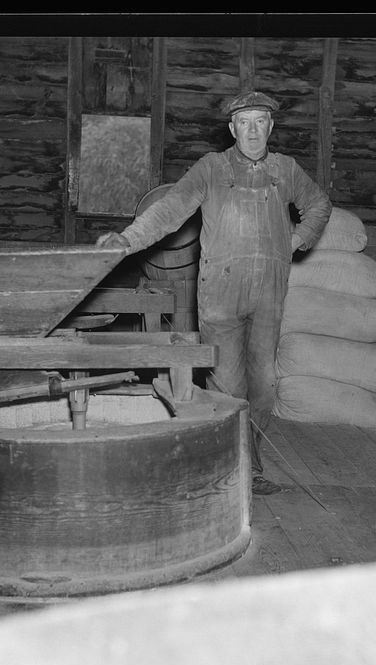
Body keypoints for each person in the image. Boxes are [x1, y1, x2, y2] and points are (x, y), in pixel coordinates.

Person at [97, 90, 332, 495]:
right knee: (227, 386)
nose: (253, 131)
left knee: (263, 389)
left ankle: (247, 465)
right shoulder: (211, 168)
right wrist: (127, 240)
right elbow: (169, 210)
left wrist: (296, 240)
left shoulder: (286, 170)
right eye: (244, 122)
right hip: (221, 296)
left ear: (271, 126)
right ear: (232, 128)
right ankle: (228, 468)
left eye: (260, 121)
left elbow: (319, 204)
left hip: (269, 296)